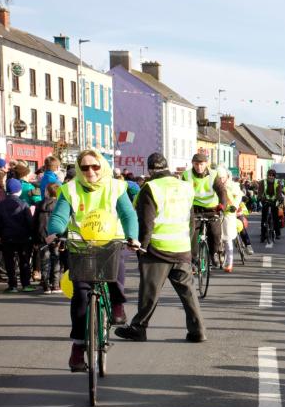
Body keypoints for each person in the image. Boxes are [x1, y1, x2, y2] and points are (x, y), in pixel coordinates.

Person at [46, 150, 139, 372]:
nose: (90, 172)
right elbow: (59, 215)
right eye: (85, 167)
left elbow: (127, 214)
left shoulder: (115, 186)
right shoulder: (69, 189)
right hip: (80, 244)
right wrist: (56, 232)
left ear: (102, 166)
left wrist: (132, 236)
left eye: (95, 166)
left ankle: (117, 304)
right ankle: (78, 348)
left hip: (110, 241)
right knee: (80, 295)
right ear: (79, 169)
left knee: (115, 271)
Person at [115, 153, 205, 344]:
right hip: (181, 248)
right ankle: (198, 331)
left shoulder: (150, 188)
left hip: (157, 249)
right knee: (187, 292)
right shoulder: (185, 187)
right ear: (167, 167)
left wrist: (141, 247)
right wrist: (190, 248)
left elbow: (146, 222)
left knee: (149, 292)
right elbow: (191, 222)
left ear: (150, 170)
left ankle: (139, 329)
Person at [0, 178, 36, 293]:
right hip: (23, 237)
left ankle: (12, 285)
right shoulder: (23, 204)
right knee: (24, 260)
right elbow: (29, 222)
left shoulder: (0, 205)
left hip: (7, 236)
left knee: (9, 261)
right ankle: (26, 284)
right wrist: (32, 236)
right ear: (19, 190)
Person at [183, 153, 227, 265]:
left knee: (215, 233)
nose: (199, 167)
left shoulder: (213, 174)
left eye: (201, 164)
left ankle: (213, 254)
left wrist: (222, 205)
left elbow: (221, 191)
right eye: (196, 164)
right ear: (192, 163)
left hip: (211, 209)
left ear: (206, 164)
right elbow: (181, 192)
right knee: (192, 233)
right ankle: (194, 258)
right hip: (195, 209)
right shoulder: (186, 175)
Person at [34, 182, 62, 293]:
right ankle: (55, 285)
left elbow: (35, 223)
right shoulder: (60, 205)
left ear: (46, 192)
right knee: (56, 260)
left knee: (44, 261)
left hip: (42, 236)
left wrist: (35, 239)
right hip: (55, 236)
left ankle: (46, 285)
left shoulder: (39, 205)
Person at [221, 169, 244, 273]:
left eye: (222, 177)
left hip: (229, 213)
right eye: (219, 177)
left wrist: (234, 206)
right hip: (217, 212)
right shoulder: (214, 184)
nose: (221, 179)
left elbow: (238, 197)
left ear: (227, 177)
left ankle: (229, 262)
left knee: (227, 238)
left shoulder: (233, 186)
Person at [258, 169, 283, 243]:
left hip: (274, 200)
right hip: (265, 200)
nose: (271, 176)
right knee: (263, 219)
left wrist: (279, 199)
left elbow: (279, 192)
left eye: (272, 175)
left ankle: (277, 233)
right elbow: (260, 191)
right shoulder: (263, 182)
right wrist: (260, 197)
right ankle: (263, 235)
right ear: (267, 175)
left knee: (275, 217)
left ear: (274, 176)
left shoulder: (277, 182)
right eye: (269, 175)